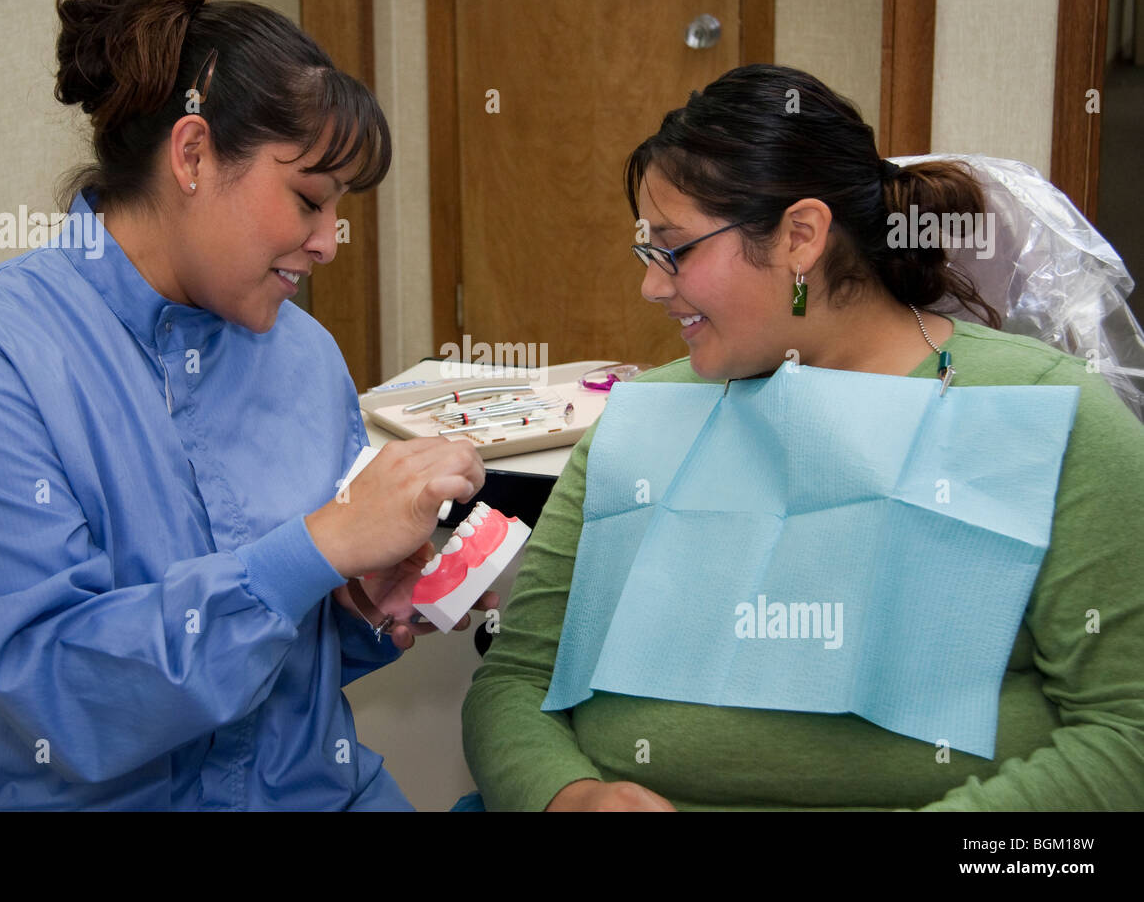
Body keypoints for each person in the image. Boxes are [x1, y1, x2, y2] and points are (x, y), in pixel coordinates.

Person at [0, 0, 489, 810]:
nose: (328, 242)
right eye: (309, 199)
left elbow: (286, 660)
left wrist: (358, 603)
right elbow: (65, 695)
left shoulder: (303, 356)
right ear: (192, 153)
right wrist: (316, 546)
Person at [461, 64, 1144, 811]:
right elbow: (517, 679)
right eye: (647, 252)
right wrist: (567, 796)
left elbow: (1125, 732)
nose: (653, 286)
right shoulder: (644, 421)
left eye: (676, 248)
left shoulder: (1048, 414)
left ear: (801, 236)